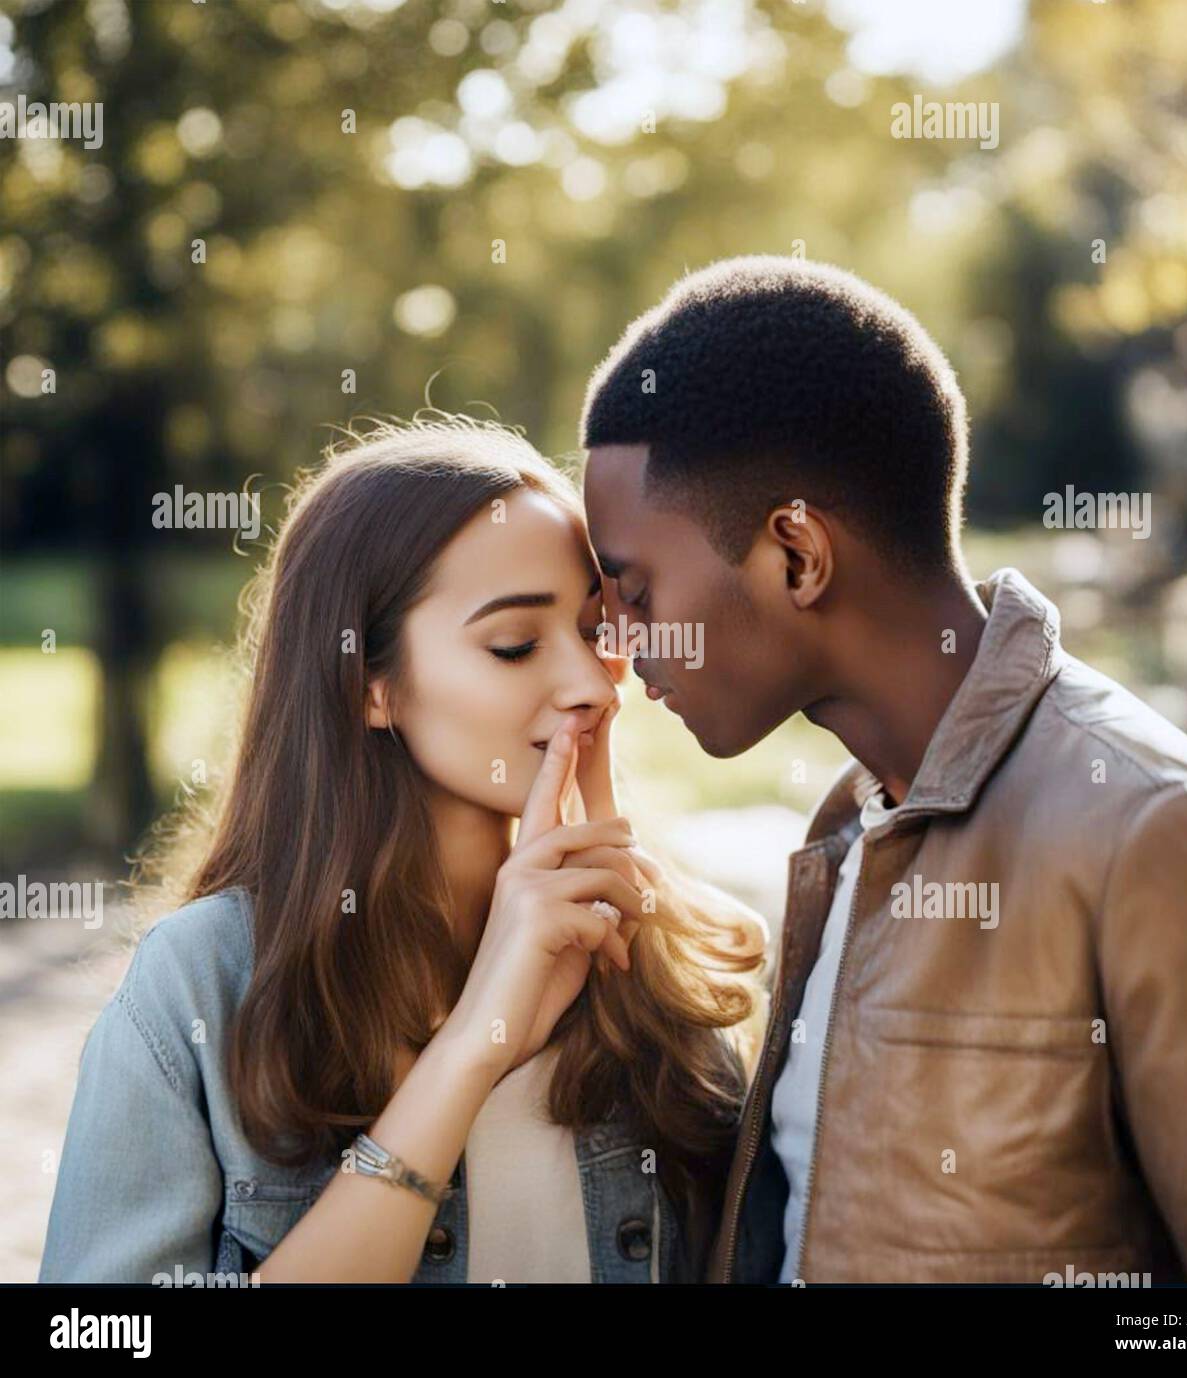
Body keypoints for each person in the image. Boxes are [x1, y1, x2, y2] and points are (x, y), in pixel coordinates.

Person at [579, 255, 1187, 1283]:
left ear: (795, 554)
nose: (618, 640)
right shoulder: (844, 832)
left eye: (636, 590)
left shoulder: (1157, 832)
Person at [39, 417, 764, 1285]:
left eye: (591, 631)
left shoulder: (652, 963)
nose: (588, 687)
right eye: (515, 645)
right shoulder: (203, 988)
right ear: (368, 684)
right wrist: (469, 1052)